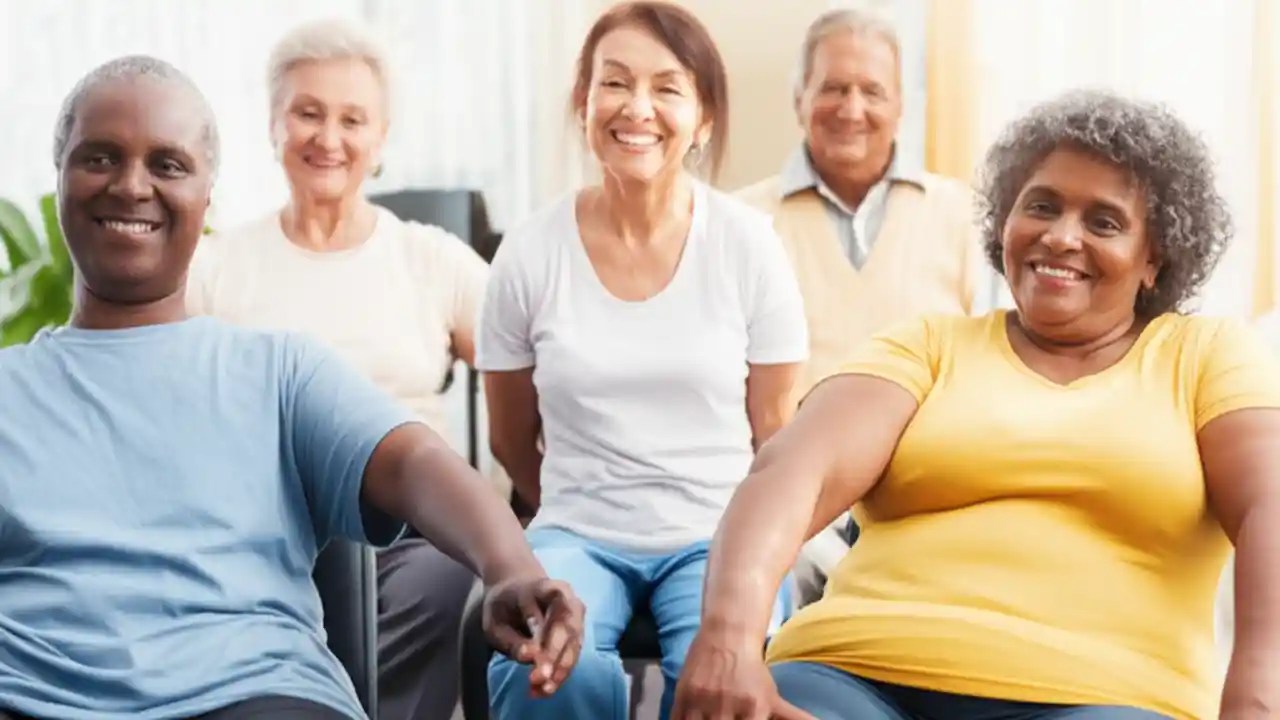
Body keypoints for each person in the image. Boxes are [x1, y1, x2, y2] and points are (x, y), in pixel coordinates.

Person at [0, 56, 583, 720]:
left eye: (167, 165)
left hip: (256, 694)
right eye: (100, 158)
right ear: (61, 176)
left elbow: (414, 460)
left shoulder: (278, 370)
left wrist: (510, 566)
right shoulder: (10, 390)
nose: (132, 186)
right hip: (38, 699)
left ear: (206, 196)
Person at [673, 90, 1280, 720]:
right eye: (1040, 207)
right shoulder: (929, 344)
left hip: (1103, 695)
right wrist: (729, 637)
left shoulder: (1205, 355)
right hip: (853, 673)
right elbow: (794, 472)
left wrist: (1256, 701)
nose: (1061, 236)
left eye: (1103, 221)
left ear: (1154, 257)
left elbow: (1271, 508)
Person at [476, 2, 808, 718]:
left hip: (719, 534)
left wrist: (743, 544)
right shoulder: (528, 252)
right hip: (575, 535)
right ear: (585, 102)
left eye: (667, 87)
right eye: (615, 83)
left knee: (717, 684)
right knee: (550, 674)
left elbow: (777, 437)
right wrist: (584, 505)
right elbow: (508, 438)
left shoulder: (750, 245)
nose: (638, 108)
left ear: (704, 118)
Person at [184, 19, 488, 720]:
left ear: (380, 139)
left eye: (353, 119)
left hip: (411, 535)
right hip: (270, 533)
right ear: (273, 124)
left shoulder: (432, 259)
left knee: (448, 580)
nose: (329, 138)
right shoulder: (217, 265)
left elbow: (531, 370)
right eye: (308, 113)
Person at [736, 8, 987, 604]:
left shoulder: (964, 218)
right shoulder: (740, 222)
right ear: (799, 99)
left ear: (900, 104)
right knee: (767, 602)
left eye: (872, 90)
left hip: (927, 499)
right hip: (788, 499)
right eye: (832, 88)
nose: (852, 109)